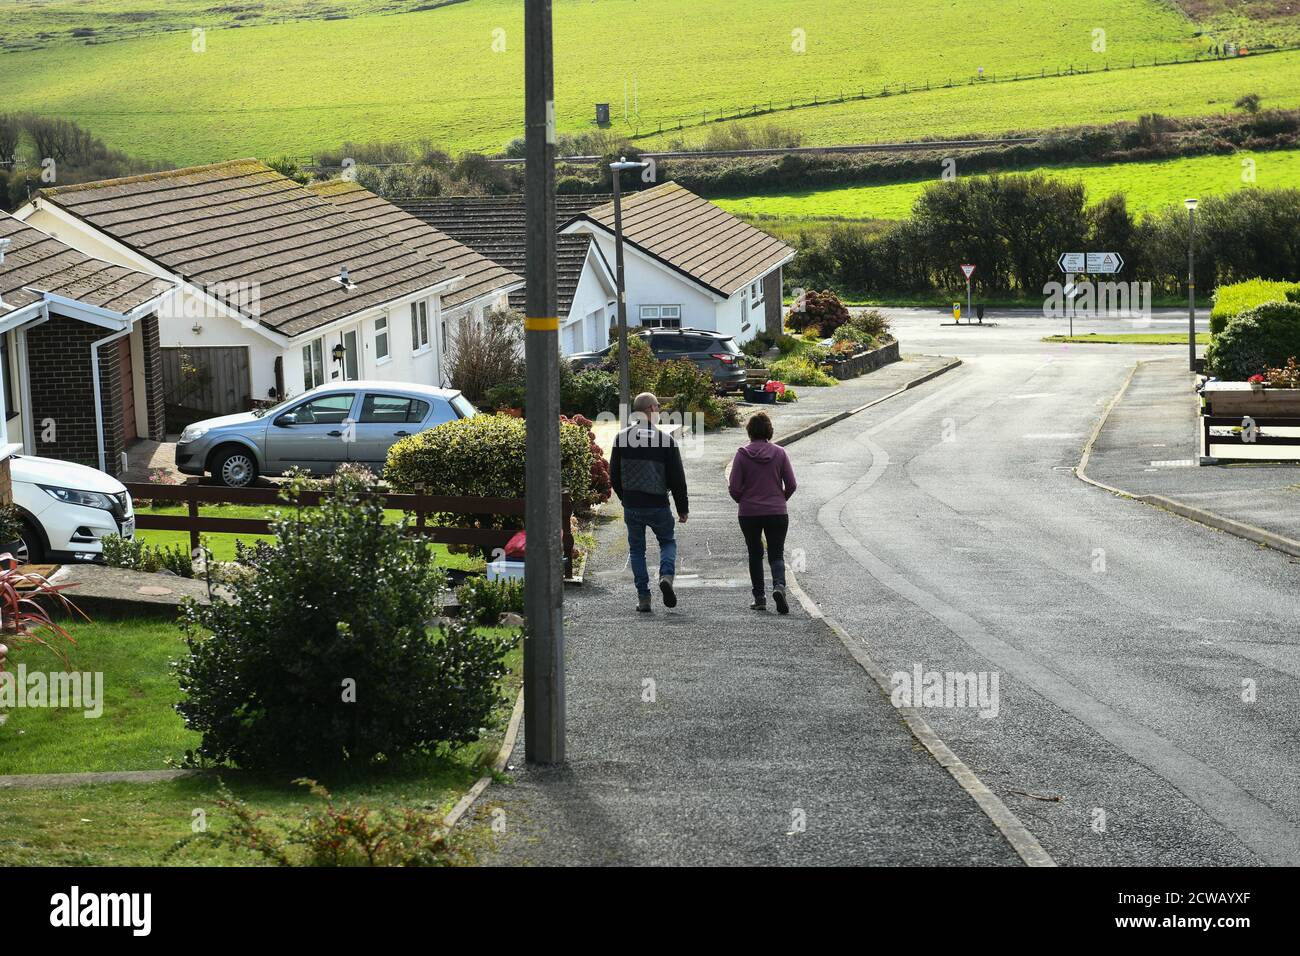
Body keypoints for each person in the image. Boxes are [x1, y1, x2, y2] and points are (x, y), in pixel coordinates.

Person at [610, 392, 689, 613]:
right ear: (651, 410)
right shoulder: (666, 441)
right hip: (658, 504)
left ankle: (644, 598)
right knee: (667, 542)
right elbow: (677, 480)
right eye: (657, 406)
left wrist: (625, 498)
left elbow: (613, 475)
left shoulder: (621, 438)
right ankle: (665, 576)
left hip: (633, 505)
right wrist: (683, 509)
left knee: (637, 550)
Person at [727, 411, 796, 613]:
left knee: (755, 553)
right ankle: (779, 586)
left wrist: (744, 500)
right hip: (776, 512)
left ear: (749, 431)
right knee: (776, 553)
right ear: (769, 431)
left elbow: (734, 487)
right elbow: (791, 484)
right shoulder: (780, 453)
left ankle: (760, 598)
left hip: (749, 513)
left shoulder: (742, 454)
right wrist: (780, 499)